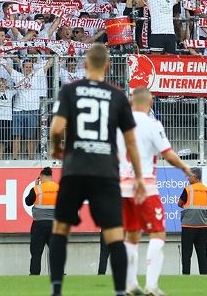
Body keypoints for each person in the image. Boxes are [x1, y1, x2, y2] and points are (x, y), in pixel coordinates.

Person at [46, 42, 143, 296]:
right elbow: (131, 142)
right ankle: (120, 292)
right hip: (105, 171)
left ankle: (56, 290)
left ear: (86, 65)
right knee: (113, 235)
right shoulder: (118, 96)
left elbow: (56, 129)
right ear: (108, 67)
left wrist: (58, 148)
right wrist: (140, 176)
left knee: (61, 229)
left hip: (75, 168)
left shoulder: (70, 90)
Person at [119, 86, 195, 296]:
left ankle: (130, 283)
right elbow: (168, 154)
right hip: (145, 186)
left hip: (124, 187)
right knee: (157, 233)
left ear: (131, 102)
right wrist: (185, 167)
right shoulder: (152, 124)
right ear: (150, 102)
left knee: (131, 235)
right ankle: (151, 285)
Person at [178, 168, 207, 276]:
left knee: (186, 255)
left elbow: (180, 203)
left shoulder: (188, 189)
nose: (188, 178)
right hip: (203, 226)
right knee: (202, 255)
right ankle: (205, 277)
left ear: (194, 176)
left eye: (189, 176)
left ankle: (186, 277)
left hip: (188, 226)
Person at [26, 166, 60, 275]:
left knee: (36, 252)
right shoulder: (58, 188)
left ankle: (35, 274)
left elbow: (28, 202)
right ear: (51, 176)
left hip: (39, 224)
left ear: (41, 177)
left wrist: (36, 185)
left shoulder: (37, 189)